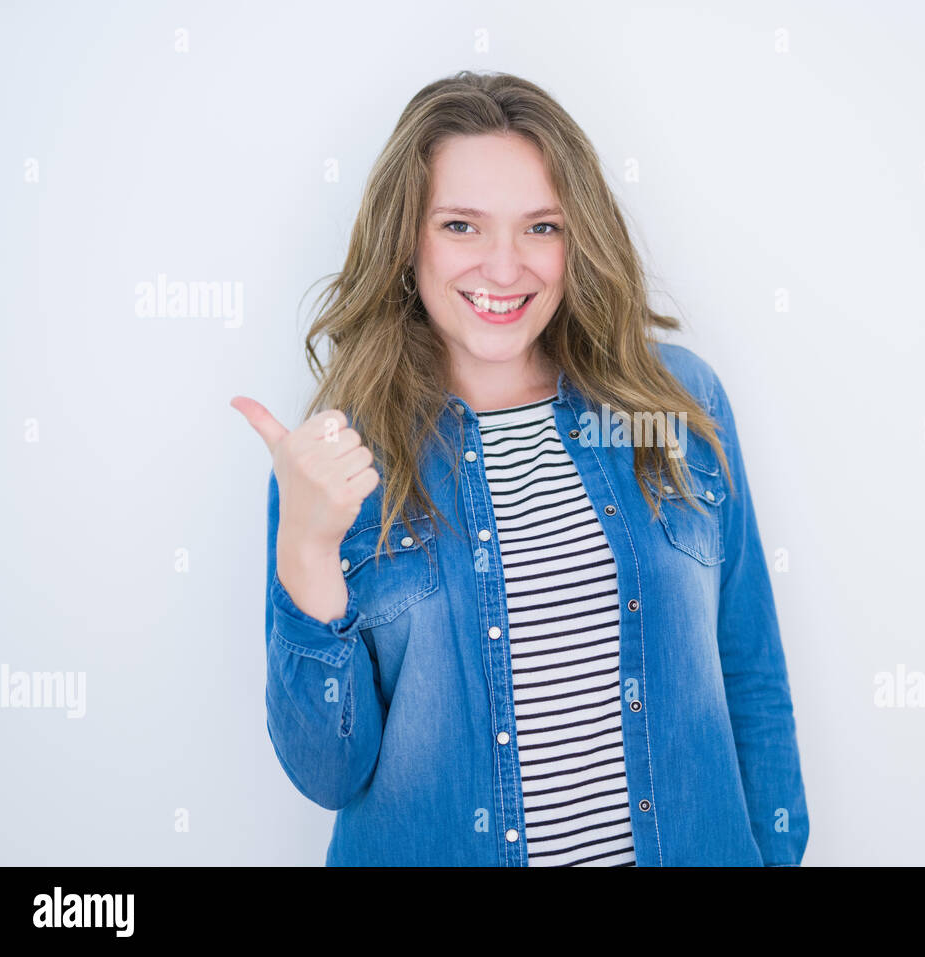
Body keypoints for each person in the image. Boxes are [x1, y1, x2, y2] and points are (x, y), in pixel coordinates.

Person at [230, 70, 808, 866]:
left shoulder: (675, 404)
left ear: (579, 241)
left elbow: (750, 674)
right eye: (462, 226)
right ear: (409, 239)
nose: (505, 268)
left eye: (541, 227)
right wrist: (304, 549)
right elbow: (329, 772)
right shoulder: (338, 461)